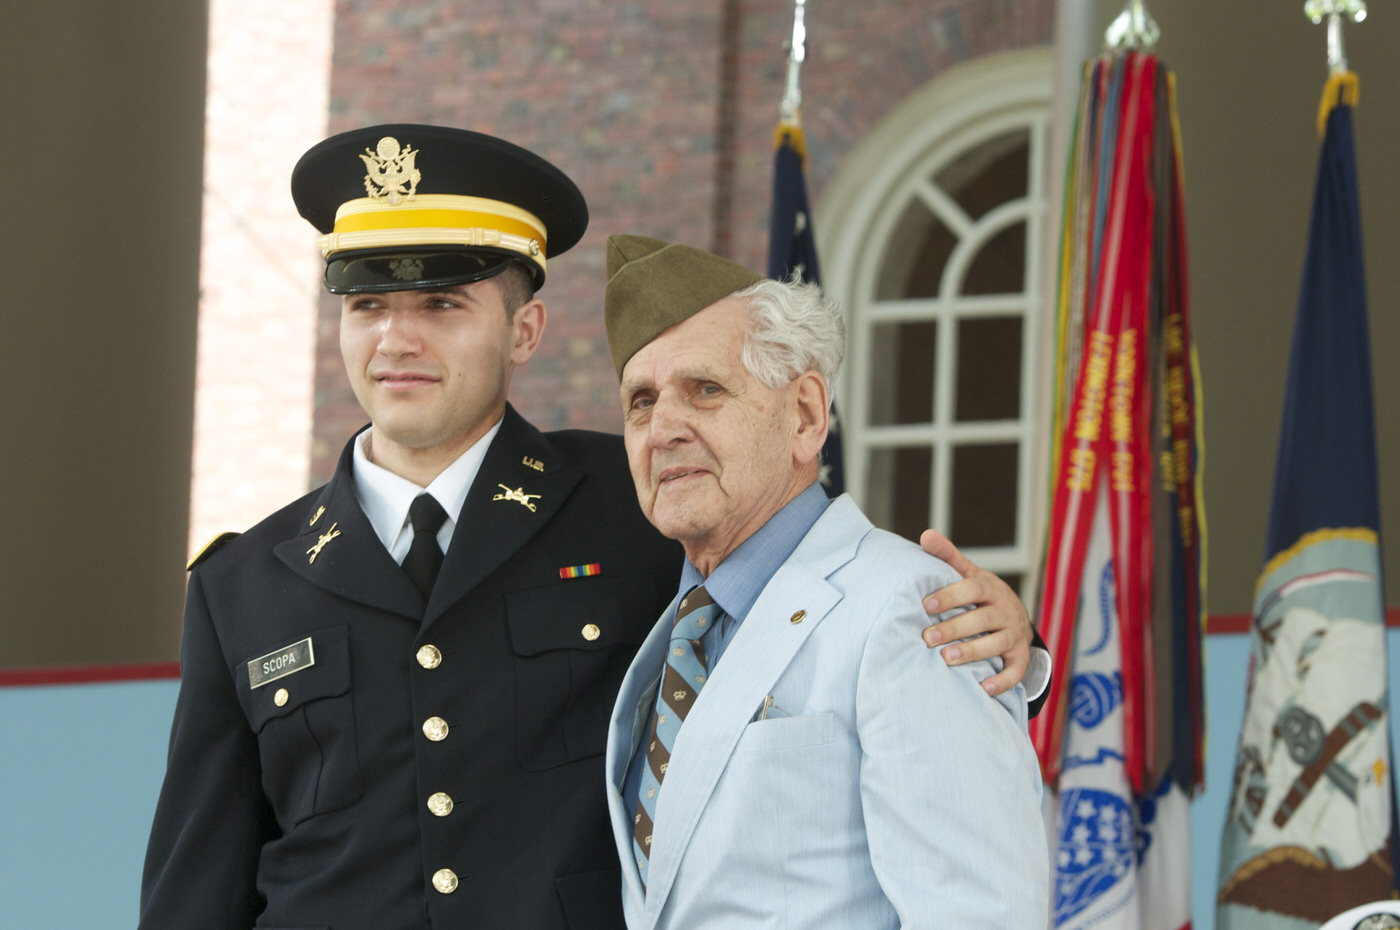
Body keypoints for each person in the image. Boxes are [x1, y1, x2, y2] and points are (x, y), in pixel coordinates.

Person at [140, 124, 1045, 930]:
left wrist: (1007, 642)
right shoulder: (243, 584)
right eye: (367, 305)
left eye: (443, 304)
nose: (396, 340)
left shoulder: (644, 499)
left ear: (525, 330)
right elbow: (199, 886)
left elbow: (819, 592)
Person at [601, 235, 1049, 928]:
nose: (662, 429)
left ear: (806, 415)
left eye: (706, 390)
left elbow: (980, 915)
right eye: (641, 401)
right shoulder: (668, 620)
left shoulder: (906, 607)